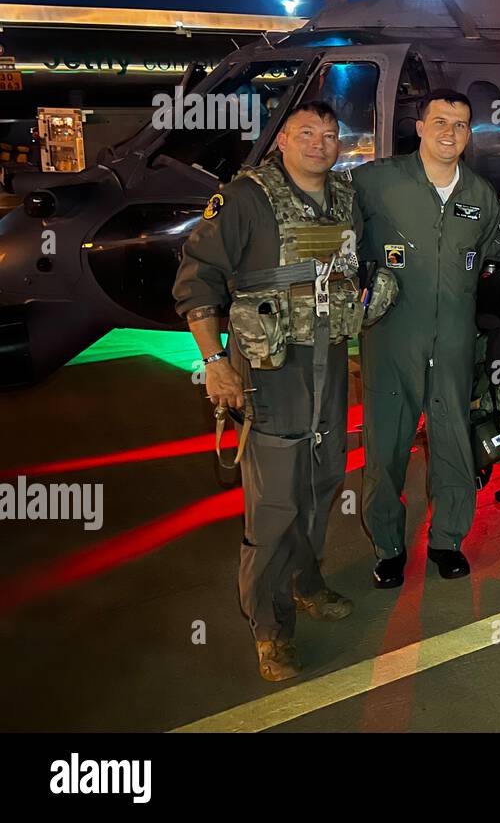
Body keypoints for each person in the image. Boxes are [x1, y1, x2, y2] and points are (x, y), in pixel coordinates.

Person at [173, 100, 361, 682]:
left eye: (329, 136)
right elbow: (196, 280)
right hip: (268, 370)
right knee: (276, 501)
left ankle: (306, 582)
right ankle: (269, 627)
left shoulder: (346, 197)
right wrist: (213, 362)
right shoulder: (245, 198)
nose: (319, 144)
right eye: (307, 133)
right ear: (281, 139)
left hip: (327, 365)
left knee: (324, 479)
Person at [352, 89, 500, 587]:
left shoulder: (480, 195)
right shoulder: (374, 183)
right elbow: (332, 238)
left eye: (460, 125)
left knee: (454, 444)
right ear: (419, 127)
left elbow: (492, 260)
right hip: (392, 341)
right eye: (439, 122)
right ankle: (389, 547)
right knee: (386, 449)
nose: (449, 133)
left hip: (456, 346)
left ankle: (447, 540)